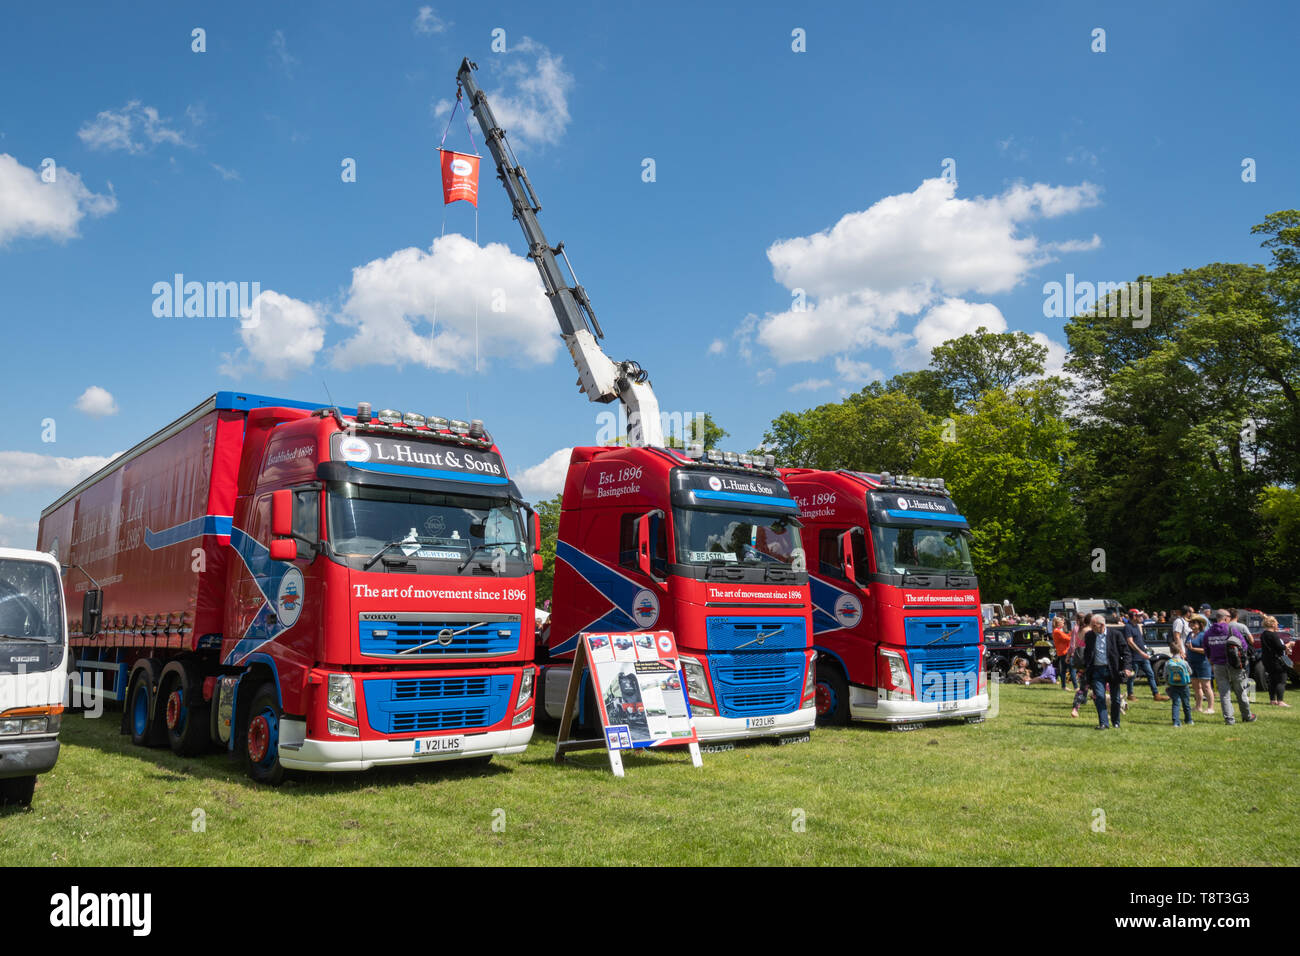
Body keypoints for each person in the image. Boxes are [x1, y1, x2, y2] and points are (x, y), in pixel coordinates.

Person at [1204, 608, 1256, 724]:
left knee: (1224, 694)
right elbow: (1244, 646)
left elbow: (1207, 651)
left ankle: (1229, 719)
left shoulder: (1208, 632)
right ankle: (1247, 716)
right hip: (1234, 665)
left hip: (1218, 666)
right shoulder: (1231, 630)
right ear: (1226, 618)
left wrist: (1212, 662)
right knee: (1240, 692)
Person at [1083, 613, 1132, 729]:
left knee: (1115, 699)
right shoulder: (1089, 635)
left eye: (1093, 625)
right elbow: (1087, 652)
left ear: (1101, 625)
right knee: (1099, 697)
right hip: (1096, 670)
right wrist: (1086, 666)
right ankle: (1104, 723)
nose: (1091, 628)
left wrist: (1127, 667)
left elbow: (1126, 652)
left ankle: (1116, 721)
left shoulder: (1116, 635)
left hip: (1113, 670)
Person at [1123, 608, 1168, 702]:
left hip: (1143, 656)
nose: (1141, 617)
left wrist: (1145, 651)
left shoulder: (1137, 626)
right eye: (1139, 615)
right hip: (1134, 657)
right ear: (1134, 616)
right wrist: (1141, 652)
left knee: (1150, 674)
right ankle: (1130, 695)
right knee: (1132, 676)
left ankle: (1156, 694)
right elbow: (1130, 642)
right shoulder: (1128, 627)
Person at [1259, 615, 1294, 707]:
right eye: (1277, 623)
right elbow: (1280, 647)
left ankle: (1272, 700)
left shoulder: (1263, 634)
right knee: (1281, 680)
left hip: (1267, 660)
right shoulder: (1273, 635)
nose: (1278, 625)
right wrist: (1289, 644)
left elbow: (1273, 647)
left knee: (1272, 680)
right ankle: (1280, 701)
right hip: (1275, 660)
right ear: (1272, 624)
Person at [1185, 614, 1214, 715]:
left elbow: (1207, 651)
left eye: (1194, 622)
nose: (1191, 624)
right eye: (1190, 622)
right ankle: (1198, 706)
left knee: (1206, 686)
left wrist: (1193, 649)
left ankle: (1211, 708)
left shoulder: (1204, 635)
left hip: (1203, 664)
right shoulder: (1189, 634)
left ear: (1200, 624)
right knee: (1196, 687)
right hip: (1191, 663)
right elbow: (1187, 647)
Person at [1165, 642, 1194, 726]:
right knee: (1186, 703)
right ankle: (1188, 720)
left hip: (1173, 685)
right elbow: (1190, 672)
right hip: (1184, 685)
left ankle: (1176, 721)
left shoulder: (1168, 662)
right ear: (1180, 650)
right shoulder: (1184, 662)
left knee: (1175, 703)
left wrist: (1168, 683)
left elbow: (1165, 674)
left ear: (1171, 651)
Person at [1051, 616, 1075, 689]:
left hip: (1062, 652)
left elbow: (1066, 636)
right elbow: (1068, 639)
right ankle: (1076, 686)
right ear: (1058, 623)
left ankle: (1064, 686)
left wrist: (1072, 632)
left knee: (1064, 670)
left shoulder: (1057, 631)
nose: (1063, 624)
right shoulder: (1057, 631)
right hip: (1064, 652)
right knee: (1072, 669)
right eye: (1062, 622)